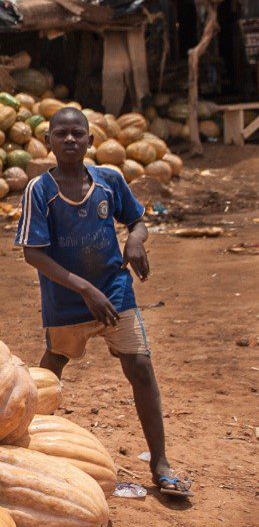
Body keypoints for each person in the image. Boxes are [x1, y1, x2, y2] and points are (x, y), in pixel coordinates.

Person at [15, 107, 191, 498]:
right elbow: (34, 253)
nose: (71, 140)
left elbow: (138, 220)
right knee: (52, 369)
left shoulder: (109, 180)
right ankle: (23, 443)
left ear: (91, 141)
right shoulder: (40, 190)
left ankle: (160, 462)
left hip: (114, 291)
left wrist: (136, 239)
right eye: (61, 134)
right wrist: (84, 289)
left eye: (78, 133)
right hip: (66, 299)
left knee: (141, 365)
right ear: (48, 142)